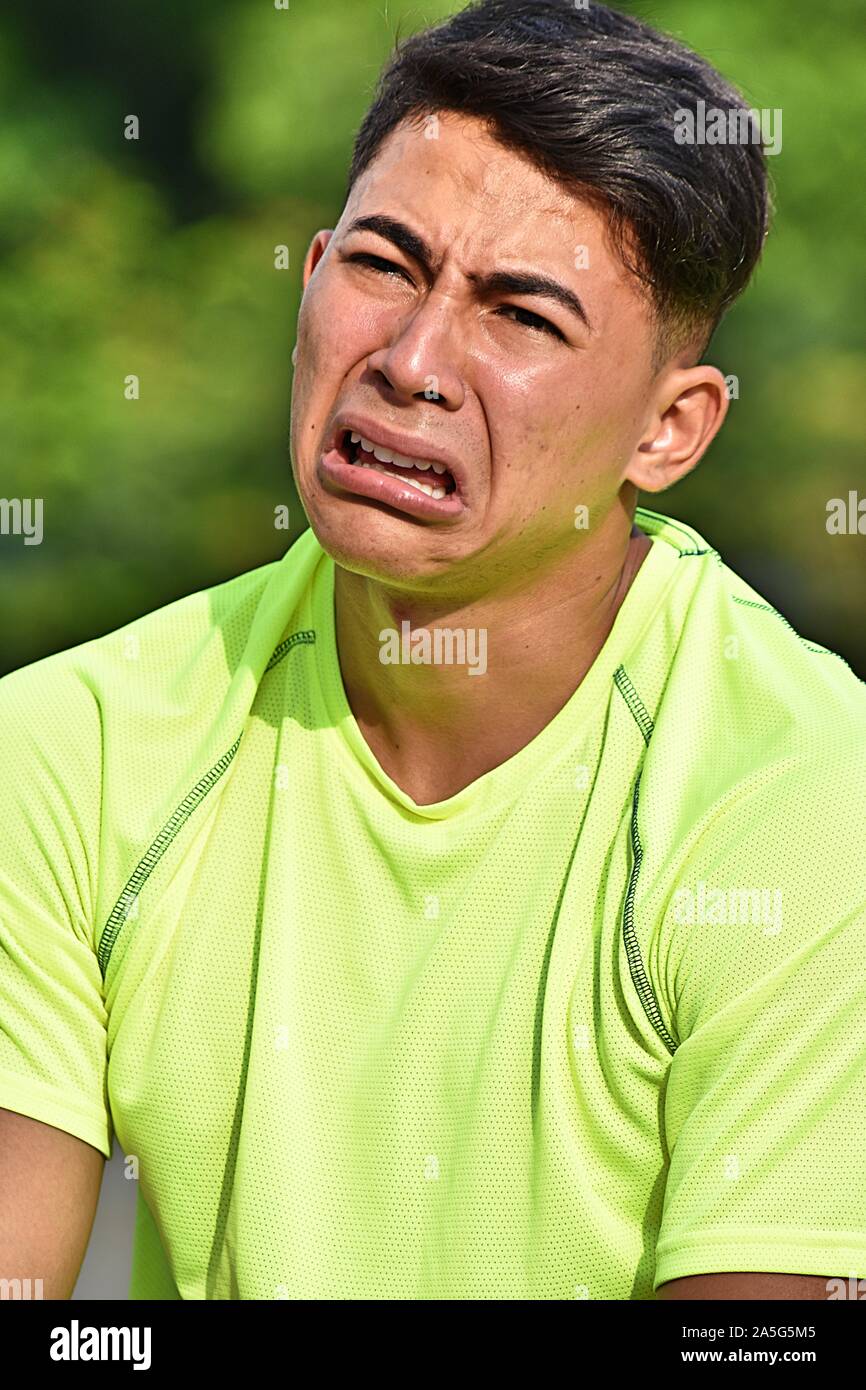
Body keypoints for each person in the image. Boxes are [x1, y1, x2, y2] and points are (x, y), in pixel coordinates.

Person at [1, 0, 864, 1301]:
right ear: (307, 275)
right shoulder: (71, 745)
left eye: (519, 315)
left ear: (669, 431)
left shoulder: (802, 806)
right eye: (383, 265)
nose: (409, 362)